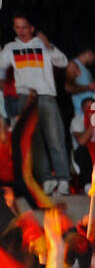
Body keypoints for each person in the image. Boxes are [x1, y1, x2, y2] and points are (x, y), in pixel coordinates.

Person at [0, 16, 69, 195]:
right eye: (17, 27)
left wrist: (48, 46)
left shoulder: (42, 44)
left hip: (46, 95)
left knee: (55, 138)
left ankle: (63, 179)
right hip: (25, 97)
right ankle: (46, 179)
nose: (20, 31)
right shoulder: (10, 48)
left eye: (24, 27)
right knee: (33, 141)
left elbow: (63, 62)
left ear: (31, 28)